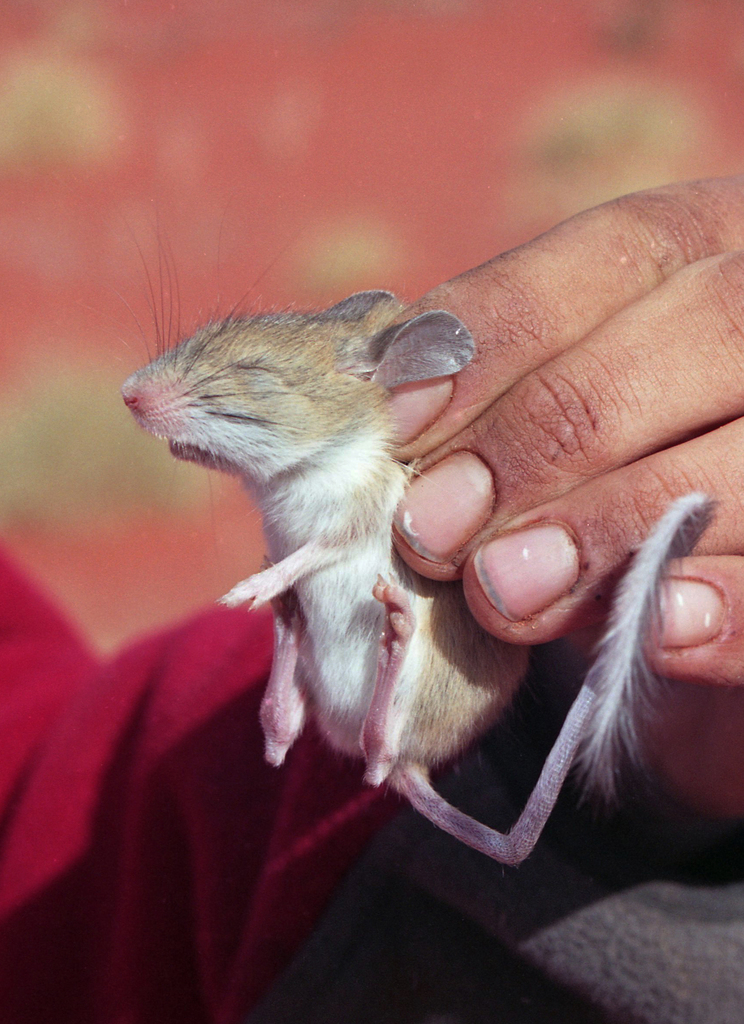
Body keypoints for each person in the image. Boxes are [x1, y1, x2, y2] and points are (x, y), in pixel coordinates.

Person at [3, 175, 744, 1023]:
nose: (139, 390)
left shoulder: (371, 465)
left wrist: (597, 716)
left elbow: (54, 768)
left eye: (241, 372)